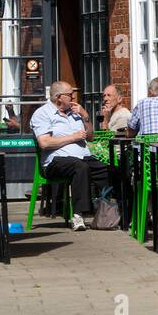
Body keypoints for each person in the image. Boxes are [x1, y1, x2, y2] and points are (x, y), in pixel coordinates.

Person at [30, 80, 111, 231]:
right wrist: (73, 137)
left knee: (108, 169)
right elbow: (45, 143)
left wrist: (85, 117)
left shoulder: (75, 113)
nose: (74, 98)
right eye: (71, 95)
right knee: (80, 167)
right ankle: (78, 216)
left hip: (83, 157)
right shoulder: (42, 114)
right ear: (59, 97)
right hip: (55, 161)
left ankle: (109, 212)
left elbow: (91, 137)